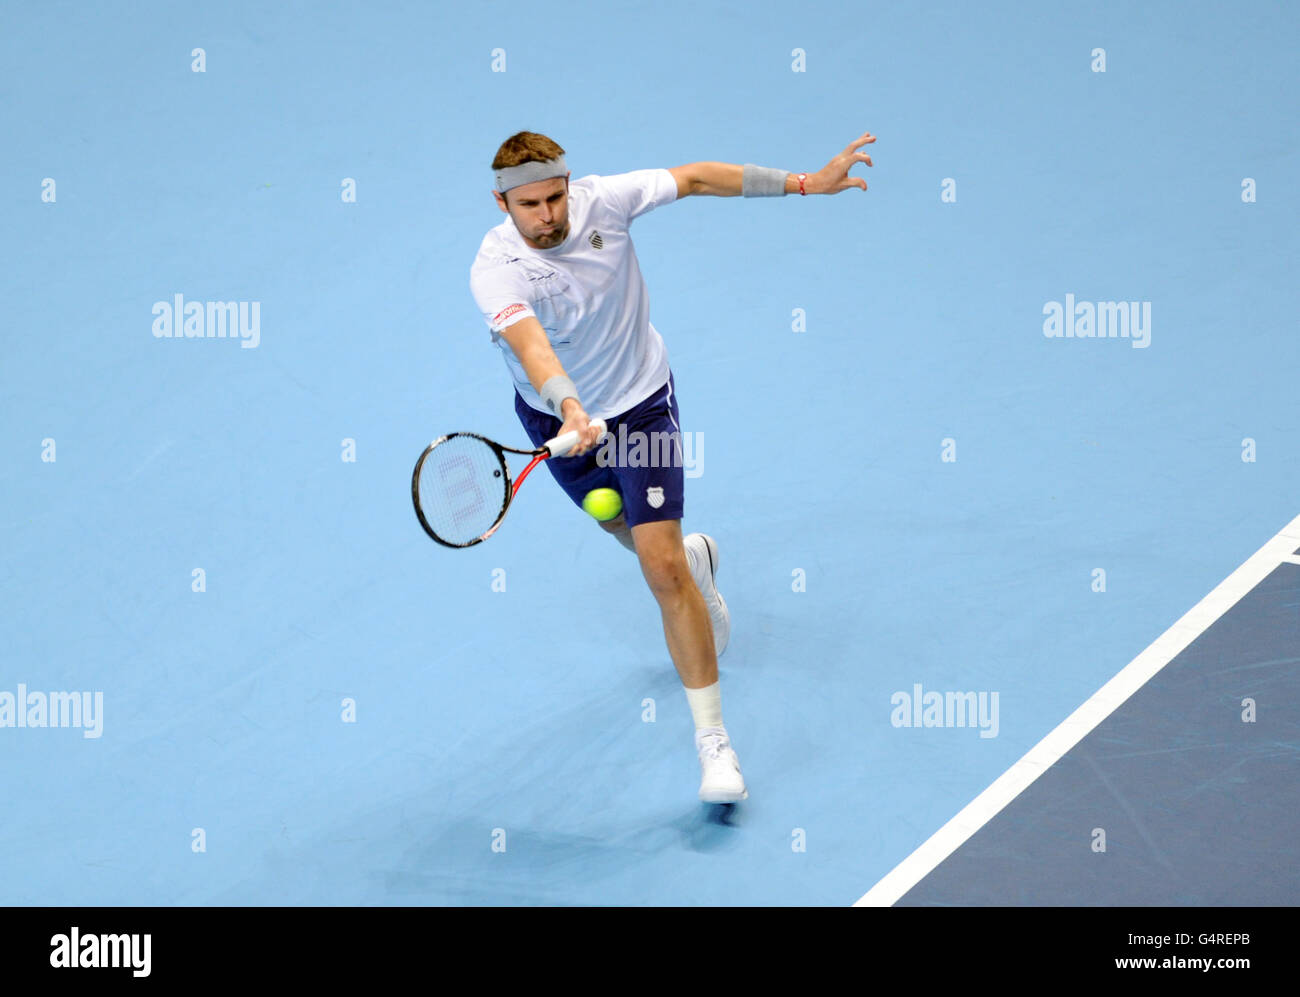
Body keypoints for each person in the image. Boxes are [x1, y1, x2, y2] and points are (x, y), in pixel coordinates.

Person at [469, 130, 874, 803]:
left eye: (554, 197)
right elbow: (531, 345)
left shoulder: (607, 202)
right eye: (529, 204)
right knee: (618, 523)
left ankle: (714, 744)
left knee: (658, 568)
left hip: (639, 406)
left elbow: (696, 178)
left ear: (569, 186)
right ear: (501, 202)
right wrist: (568, 405)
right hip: (555, 420)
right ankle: (695, 560)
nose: (546, 216)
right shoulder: (495, 265)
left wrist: (806, 181)